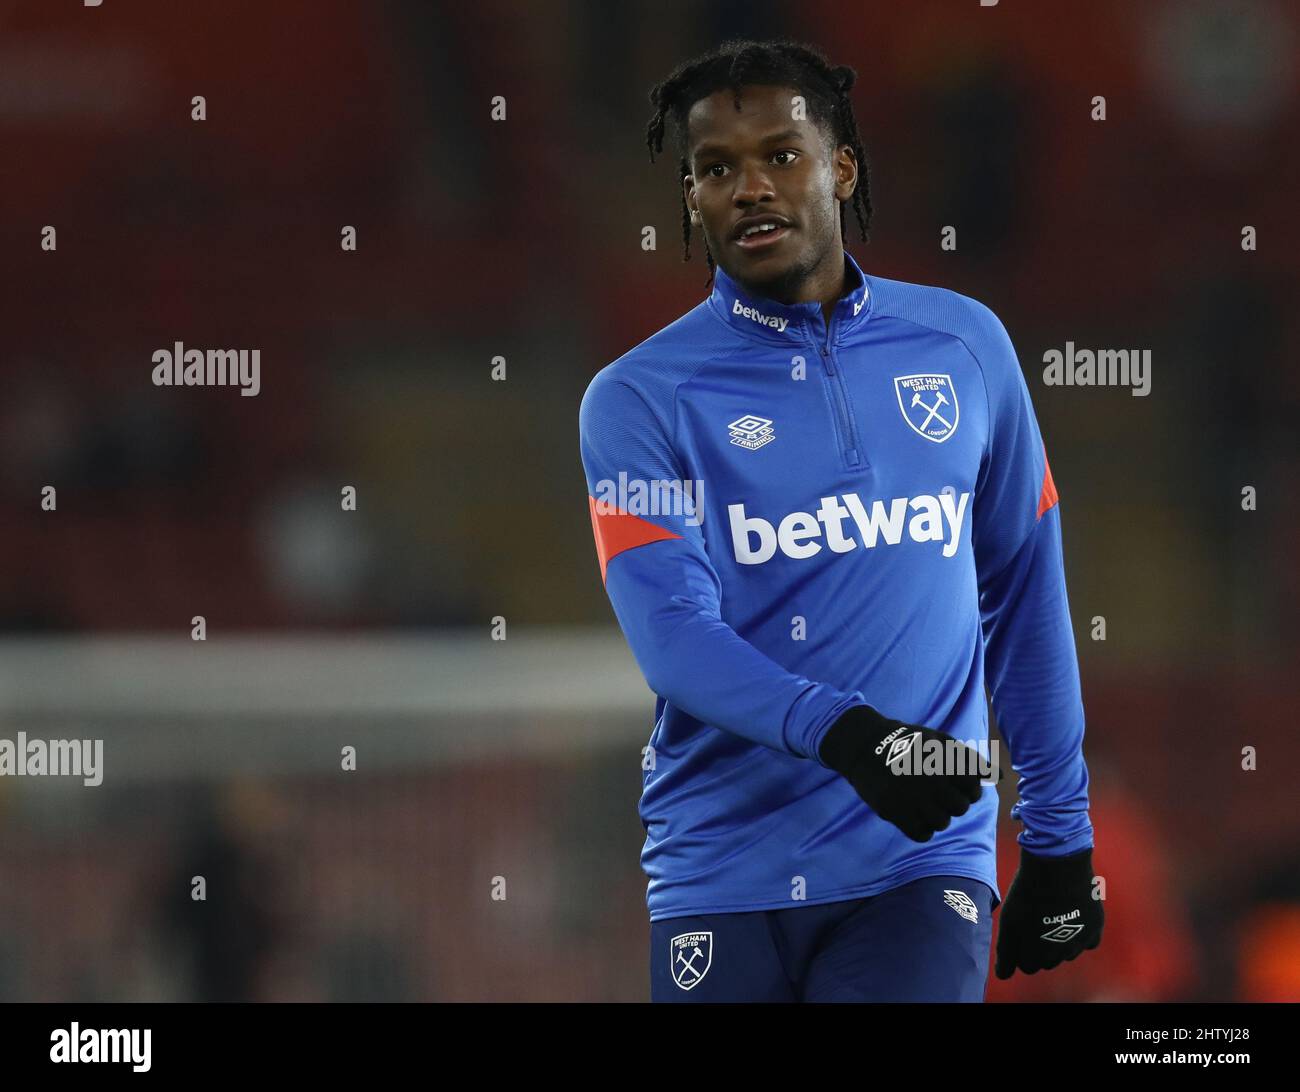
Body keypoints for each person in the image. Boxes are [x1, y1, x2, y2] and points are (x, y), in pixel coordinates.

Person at [578, 38, 1101, 1002]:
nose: (750, 188)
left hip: (918, 860)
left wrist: (1062, 839)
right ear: (691, 197)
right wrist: (855, 738)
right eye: (716, 168)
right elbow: (672, 637)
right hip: (721, 869)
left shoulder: (966, 346)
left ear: (841, 166)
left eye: (782, 154)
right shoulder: (637, 400)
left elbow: (1024, 593)